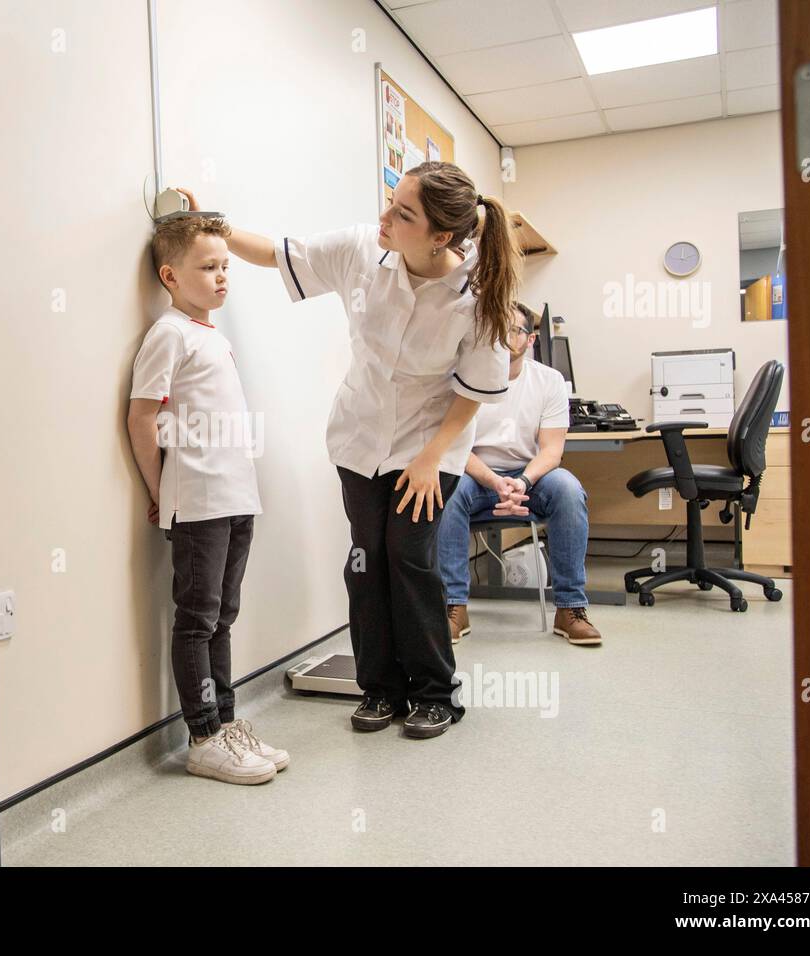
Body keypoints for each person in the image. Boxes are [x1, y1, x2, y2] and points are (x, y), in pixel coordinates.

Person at [178, 160, 520, 739]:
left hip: (431, 450)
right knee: (366, 561)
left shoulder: (476, 297)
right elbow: (277, 254)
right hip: (360, 439)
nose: (384, 217)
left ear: (441, 237)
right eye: (391, 201)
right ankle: (381, 690)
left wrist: (431, 456)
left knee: (409, 559)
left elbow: (473, 392)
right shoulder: (366, 249)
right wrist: (210, 224)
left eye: (403, 213)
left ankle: (434, 692)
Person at [127, 214, 290, 785]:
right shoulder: (168, 333)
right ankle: (202, 735)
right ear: (170, 275)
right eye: (208, 267)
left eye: (225, 266)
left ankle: (226, 724)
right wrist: (158, 490)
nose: (223, 277)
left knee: (223, 617)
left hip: (236, 495)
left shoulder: (211, 335)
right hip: (196, 500)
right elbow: (142, 417)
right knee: (197, 620)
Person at [437, 302, 603, 645]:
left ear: (530, 340)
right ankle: (454, 606)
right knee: (447, 490)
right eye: (499, 327)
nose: (506, 336)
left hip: (530, 476)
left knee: (569, 491)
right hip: (477, 474)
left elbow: (552, 451)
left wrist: (522, 481)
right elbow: (455, 447)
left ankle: (570, 608)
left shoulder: (549, 381)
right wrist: (494, 481)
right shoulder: (462, 377)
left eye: (516, 330)